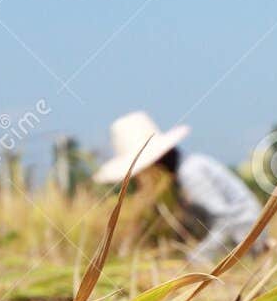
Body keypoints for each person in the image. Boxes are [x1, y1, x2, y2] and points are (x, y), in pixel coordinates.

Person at [93, 111, 263, 265]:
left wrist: (197, 259)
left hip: (245, 238)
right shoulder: (180, 178)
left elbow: (226, 220)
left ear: (154, 163)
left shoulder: (191, 173)